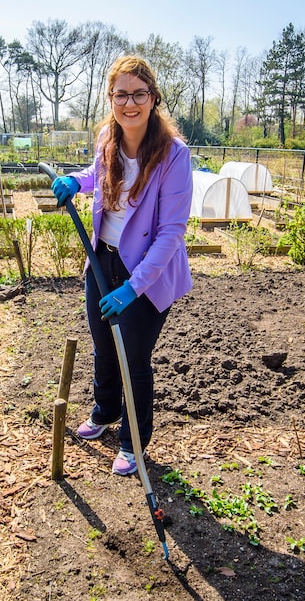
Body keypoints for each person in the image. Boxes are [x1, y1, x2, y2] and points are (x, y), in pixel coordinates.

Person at [52, 56, 193, 476]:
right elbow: (98, 174)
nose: (129, 103)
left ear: (153, 98)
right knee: (102, 346)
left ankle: (133, 442)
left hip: (147, 274)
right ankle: (104, 411)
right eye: (120, 94)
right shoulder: (107, 139)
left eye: (138, 94)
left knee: (133, 357)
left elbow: (170, 233)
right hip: (103, 260)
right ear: (110, 99)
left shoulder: (173, 155)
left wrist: (133, 289)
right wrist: (77, 181)